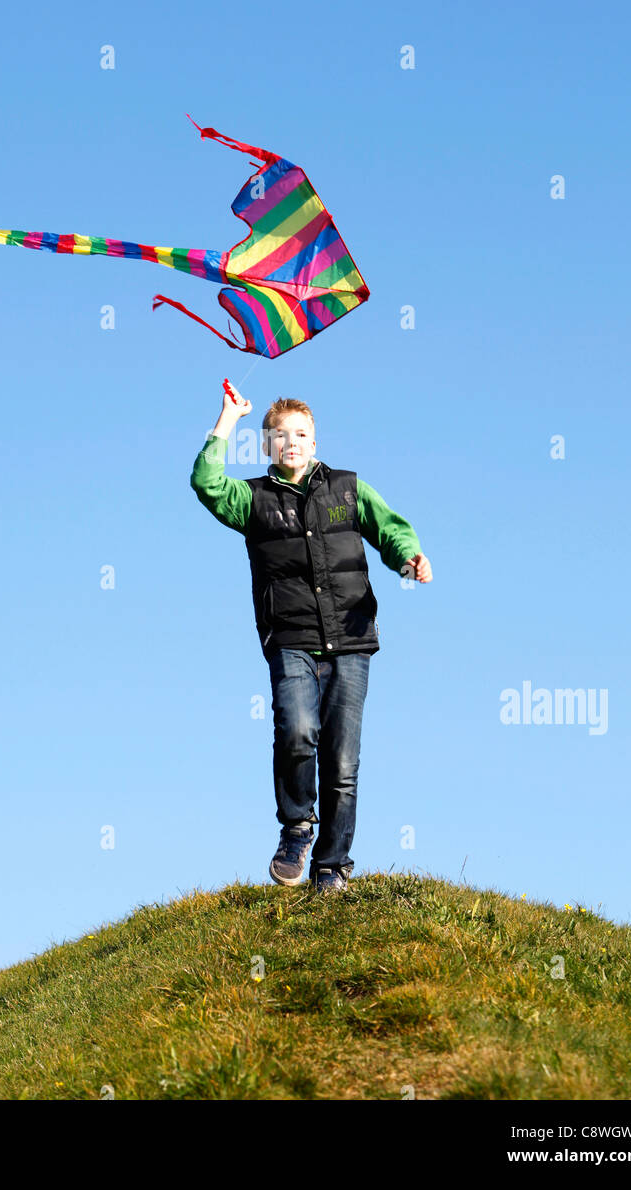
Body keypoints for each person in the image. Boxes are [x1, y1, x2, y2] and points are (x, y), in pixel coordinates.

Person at [190, 382, 432, 895]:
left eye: (302, 434)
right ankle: (297, 827)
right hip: (292, 638)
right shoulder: (252, 500)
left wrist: (408, 557)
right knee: (297, 730)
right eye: (280, 436)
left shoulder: (347, 489)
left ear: (315, 443)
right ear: (266, 447)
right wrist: (228, 418)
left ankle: (332, 866)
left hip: (351, 637)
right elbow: (206, 482)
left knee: (343, 760)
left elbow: (389, 529)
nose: (292, 442)